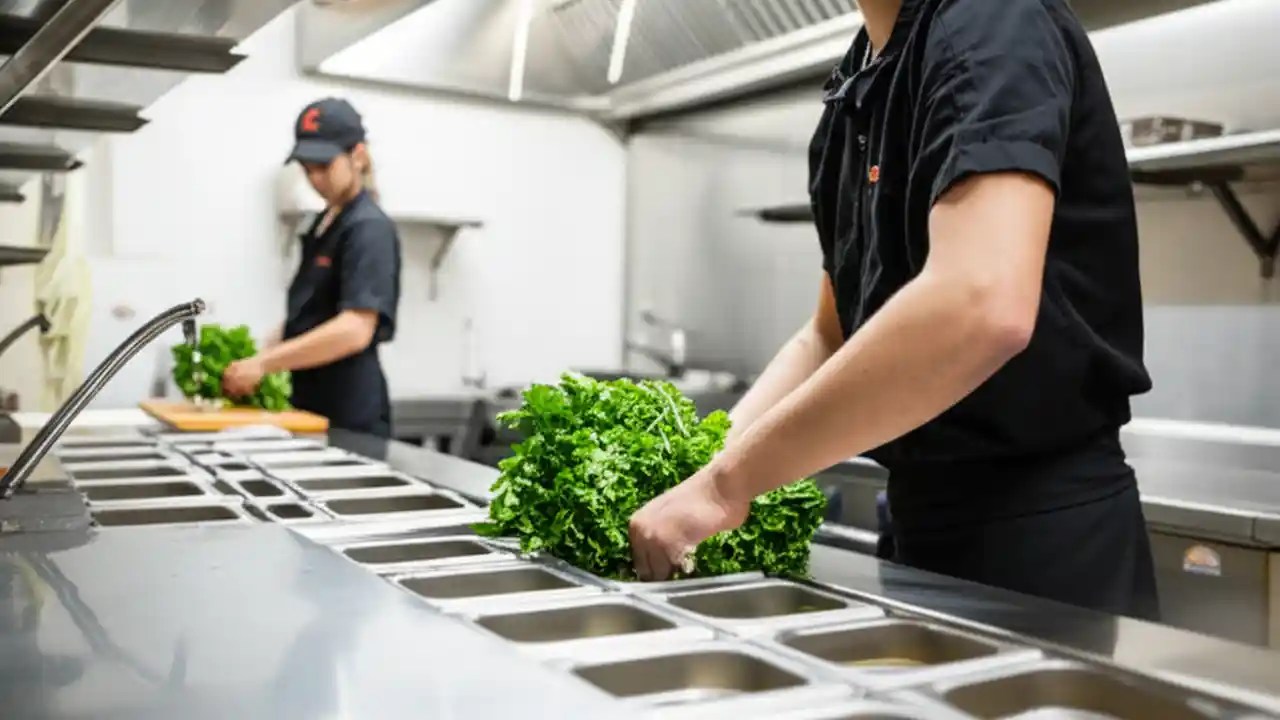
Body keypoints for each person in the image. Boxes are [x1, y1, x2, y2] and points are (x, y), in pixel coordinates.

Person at [629, 0, 1160, 620]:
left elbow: (981, 303)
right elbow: (828, 335)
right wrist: (706, 460)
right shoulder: (859, 84)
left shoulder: (990, 22)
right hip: (917, 524)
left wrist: (726, 486)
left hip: (1040, 535)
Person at [223, 98, 402, 438]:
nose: (315, 178)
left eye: (324, 166)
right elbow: (310, 314)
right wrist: (258, 351)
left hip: (348, 418)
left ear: (358, 156)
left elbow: (355, 329)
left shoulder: (368, 228)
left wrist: (264, 364)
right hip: (310, 409)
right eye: (307, 168)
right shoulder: (324, 224)